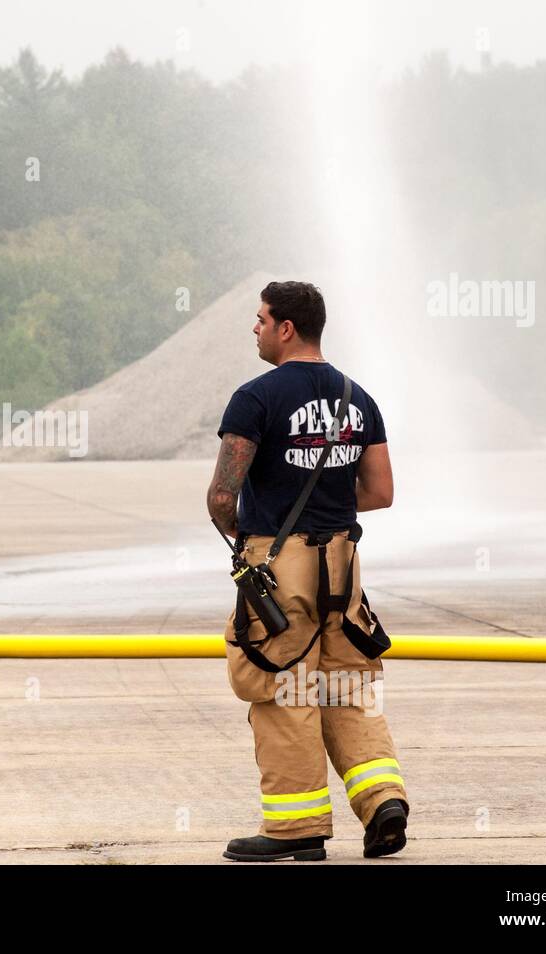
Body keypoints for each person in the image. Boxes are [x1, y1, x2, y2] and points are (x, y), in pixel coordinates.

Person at [206, 280, 410, 862]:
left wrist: (249, 537)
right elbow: (380, 492)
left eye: (261, 319)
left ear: (285, 327)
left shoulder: (255, 398)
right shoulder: (358, 398)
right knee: (348, 684)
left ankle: (296, 830)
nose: (256, 327)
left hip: (278, 564)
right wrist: (325, 503)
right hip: (343, 567)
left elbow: (223, 497)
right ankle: (383, 802)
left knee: (280, 684)